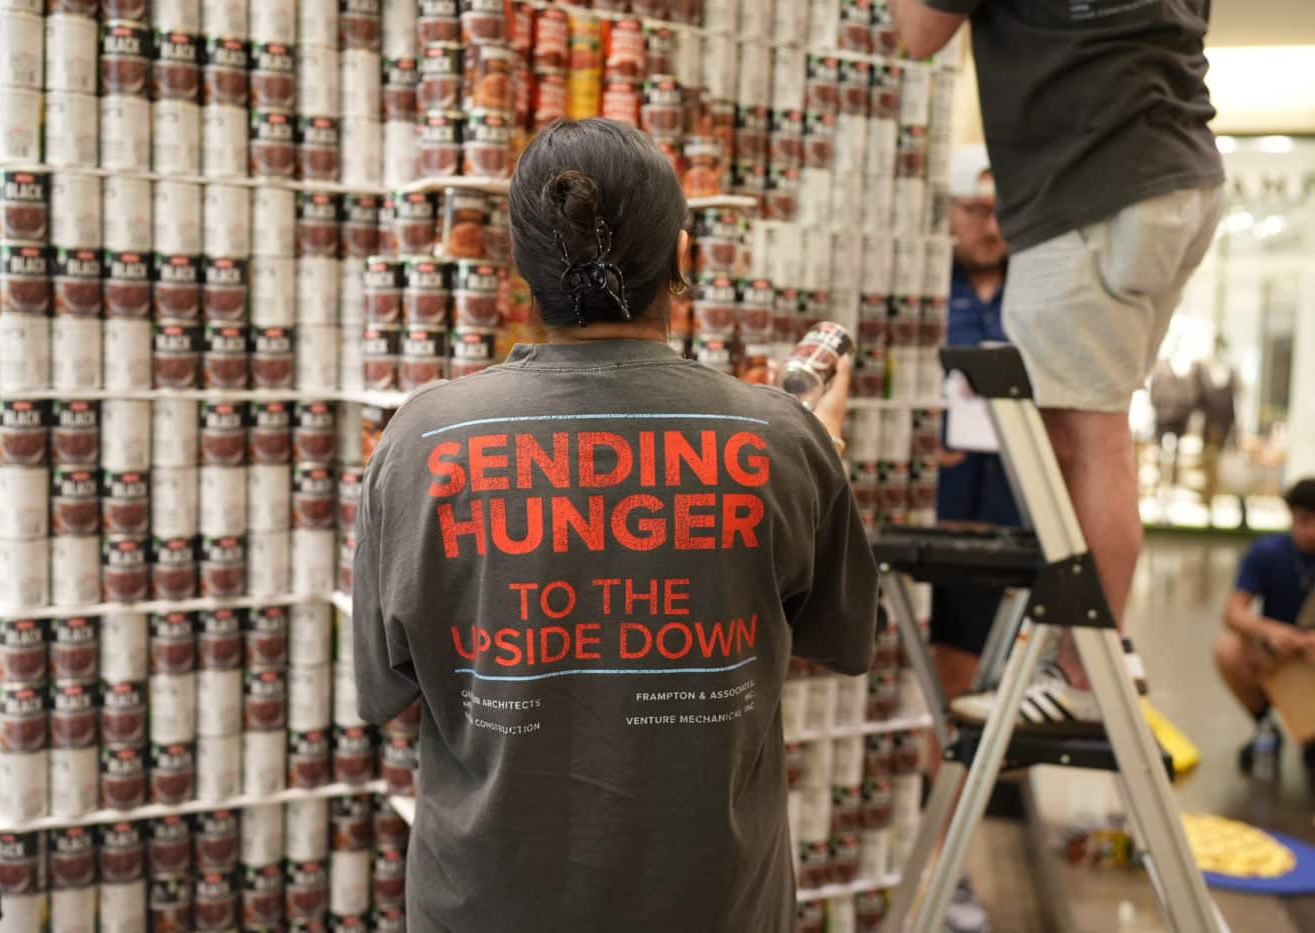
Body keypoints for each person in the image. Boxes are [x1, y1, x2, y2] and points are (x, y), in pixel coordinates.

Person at [351, 118, 879, 933]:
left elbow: (386, 681)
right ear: (685, 257)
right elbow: (837, 637)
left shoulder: (423, 442)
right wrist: (818, 449)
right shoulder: (780, 440)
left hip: (486, 907)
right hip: (714, 905)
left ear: (519, 269)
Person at [889, 0, 1225, 730]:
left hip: (1088, 191)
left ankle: (1081, 672)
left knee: (1088, 439)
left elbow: (914, 32)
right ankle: (1101, 651)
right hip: (1176, 172)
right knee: (1084, 433)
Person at [931, 144, 1021, 703]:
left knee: (1011, 675)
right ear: (949, 211)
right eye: (976, 211)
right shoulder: (923, 289)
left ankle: (1000, 787)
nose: (992, 227)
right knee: (946, 667)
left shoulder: (1038, 291)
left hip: (1019, 513)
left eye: (1002, 211)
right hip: (938, 514)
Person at [1215, 478, 1315, 772]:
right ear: (1292, 515)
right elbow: (1233, 612)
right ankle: (1265, 726)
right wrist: (1271, 631)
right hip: (1276, 651)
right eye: (1304, 520)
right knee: (1228, 649)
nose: (1312, 531)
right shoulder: (1267, 552)